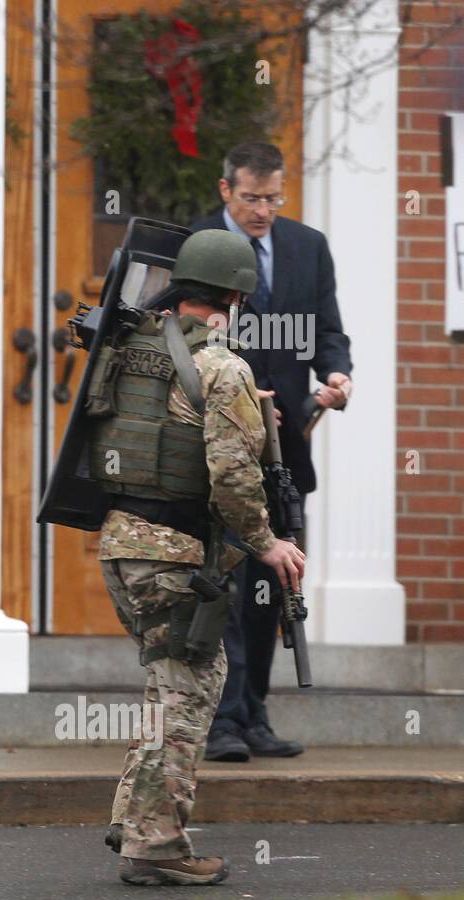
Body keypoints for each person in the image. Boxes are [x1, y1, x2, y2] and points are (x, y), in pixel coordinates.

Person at [94, 230, 306, 886]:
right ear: (235, 295)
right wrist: (269, 543)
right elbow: (233, 471)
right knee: (191, 686)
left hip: (122, 545)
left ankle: (136, 819)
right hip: (174, 553)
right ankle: (156, 844)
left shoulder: (133, 348)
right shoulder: (224, 366)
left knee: (170, 682)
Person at [191, 142, 353, 762]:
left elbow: (328, 330)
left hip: (286, 452)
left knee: (271, 589)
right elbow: (174, 331)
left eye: (274, 197)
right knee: (224, 591)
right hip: (215, 448)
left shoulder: (307, 247)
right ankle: (221, 721)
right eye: (252, 197)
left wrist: (336, 376)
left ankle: (254, 714)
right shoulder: (199, 242)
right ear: (226, 189)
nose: (264, 210)